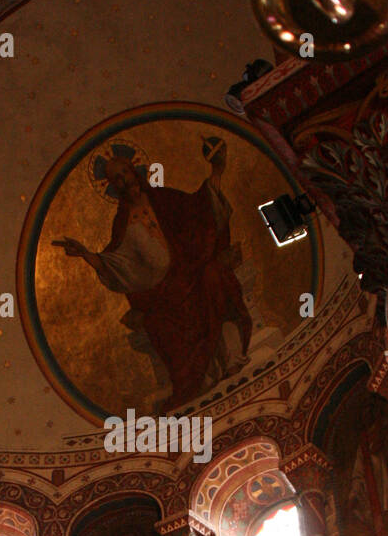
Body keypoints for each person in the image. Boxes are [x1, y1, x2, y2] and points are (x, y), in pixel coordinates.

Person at [53, 138, 252, 407]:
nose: (123, 179)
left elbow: (199, 209)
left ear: (135, 170)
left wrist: (216, 172)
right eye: (116, 178)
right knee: (159, 323)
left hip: (194, 268)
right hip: (165, 290)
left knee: (214, 278)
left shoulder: (164, 197)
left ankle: (232, 359)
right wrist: (86, 255)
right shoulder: (122, 223)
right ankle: (201, 378)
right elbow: (118, 263)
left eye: (124, 172)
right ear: (111, 186)